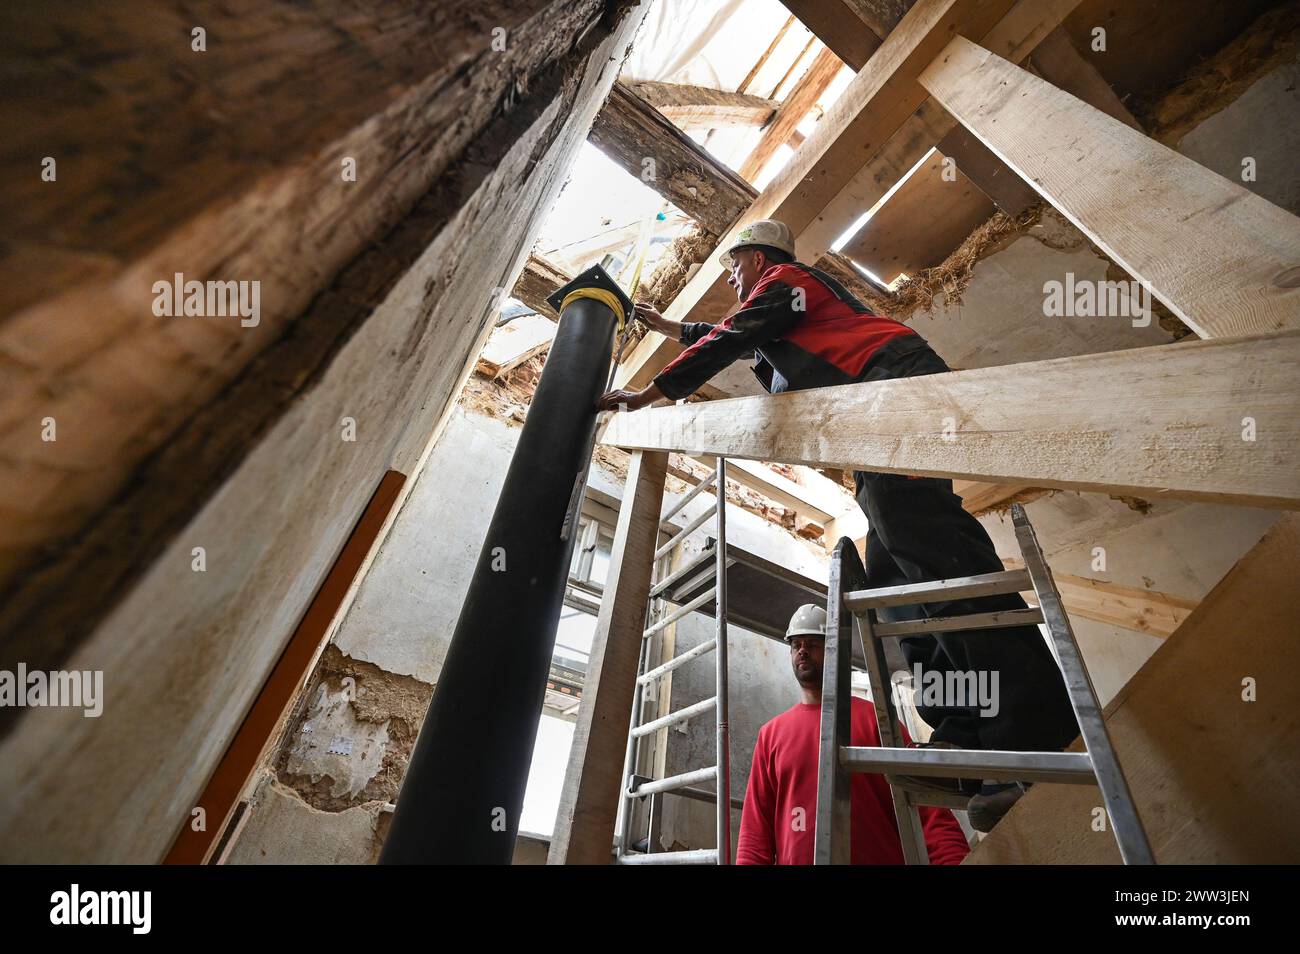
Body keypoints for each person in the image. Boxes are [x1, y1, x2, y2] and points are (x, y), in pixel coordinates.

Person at [597, 220, 1079, 830]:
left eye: (733, 264)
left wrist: (652, 394)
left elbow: (734, 332)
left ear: (757, 255)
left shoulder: (786, 280)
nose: (730, 276)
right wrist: (667, 329)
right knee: (889, 579)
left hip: (896, 384)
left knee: (923, 537)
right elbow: (734, 336)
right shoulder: (781, 313)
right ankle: (963, 733)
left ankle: (1028, 728)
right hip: (866, 416)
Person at [736, 604, 969, 865]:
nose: (802, 650)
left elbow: (932, 815)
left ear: (834, 651)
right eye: (796, 644)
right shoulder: (770, 735)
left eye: (813, 643)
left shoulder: (878, 720)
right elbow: (755, 833)